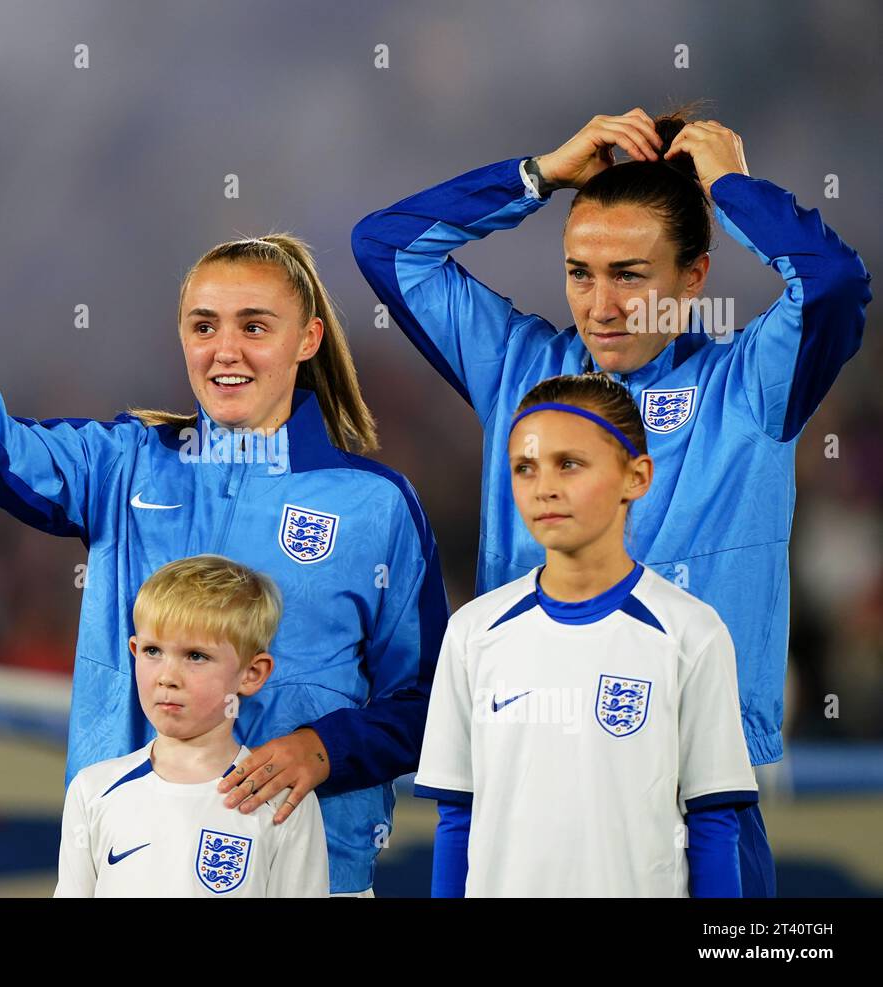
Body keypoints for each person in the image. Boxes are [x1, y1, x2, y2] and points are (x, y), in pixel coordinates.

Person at [352, 108, 872, 896]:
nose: (600, 305)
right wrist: (540, 174)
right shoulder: (520, 370)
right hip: (519, 777)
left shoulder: (750, 387)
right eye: (579, 272)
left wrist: (731, 185)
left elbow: (832, 282)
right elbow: (384, 246)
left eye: (631, 274)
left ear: (694, 277)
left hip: (693, 798)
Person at [0, 233, 449, 895]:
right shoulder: (121, 464)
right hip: (133, 873)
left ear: (307, 339)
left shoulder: (376, 505)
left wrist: (324, 747)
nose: (225, 349)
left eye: (254, 325)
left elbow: (430, 703)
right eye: (203, 325)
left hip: (317, 876)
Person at [416, 373, 757, 897]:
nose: (544, 488)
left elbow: (712, 824)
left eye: (569, 464)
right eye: (524, 469)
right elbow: (457, 818)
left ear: (636, 477)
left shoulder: (691, 632)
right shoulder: (472, 633)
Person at [55, 554, 329, 897]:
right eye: (153, 651)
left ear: (252, 673)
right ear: (134, 650)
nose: (167, 677)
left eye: (196, 656)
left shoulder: (282, 801)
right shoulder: (93, 790)